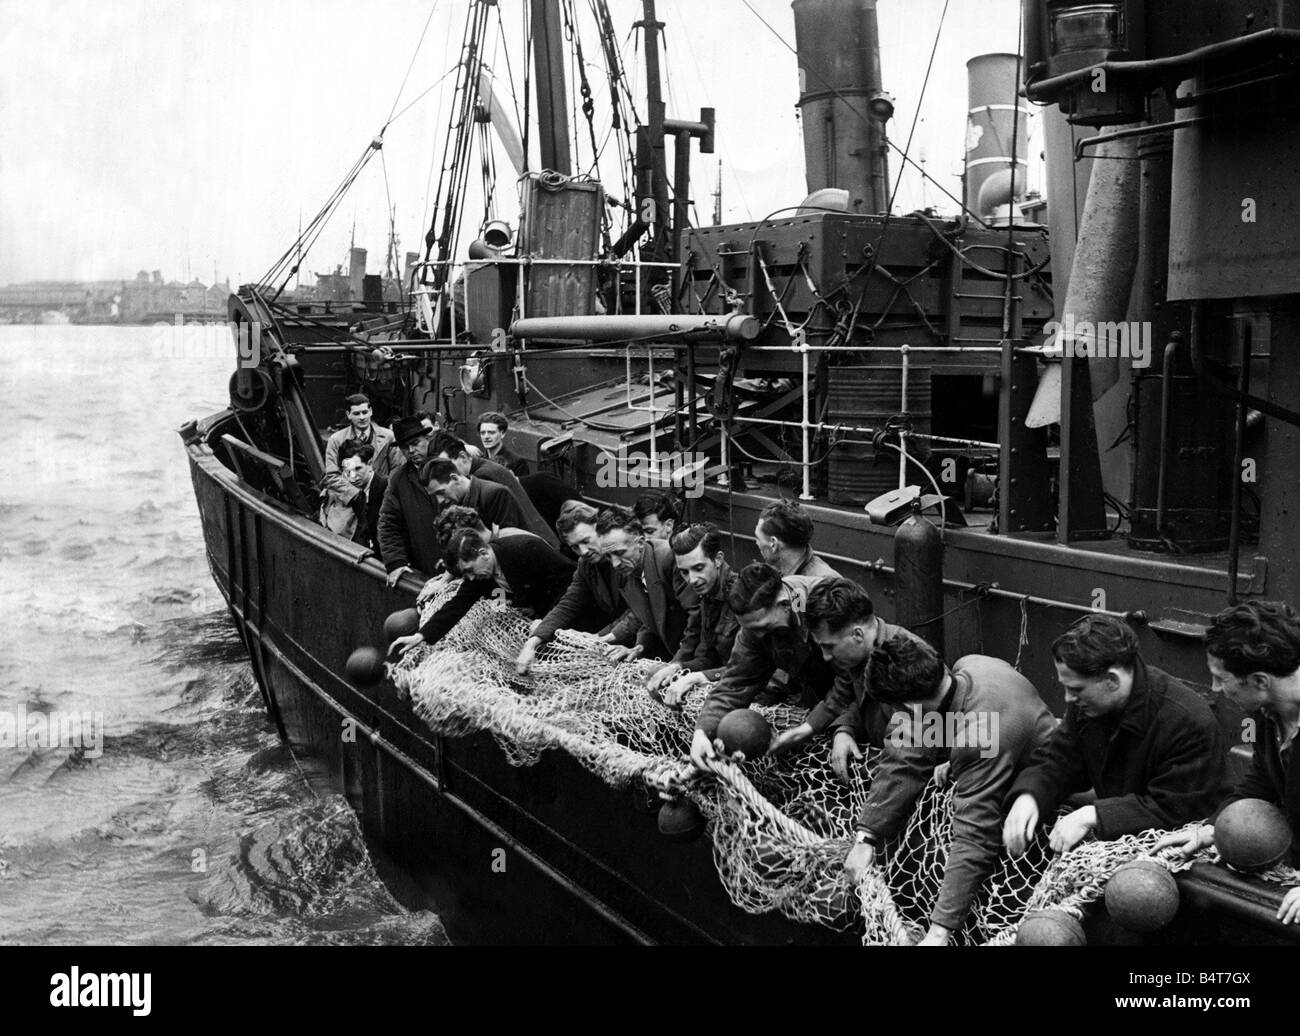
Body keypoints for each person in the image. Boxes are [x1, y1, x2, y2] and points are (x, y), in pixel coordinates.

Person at [842, 637, 1057, 945]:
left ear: (912, 707)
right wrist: (867, 836)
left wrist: (939, 932)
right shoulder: (971, 666)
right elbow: (907, 759)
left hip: (1054, 797)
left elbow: (975, 837)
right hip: (1014, 756)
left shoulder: (979, 738)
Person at [1003, 614, 1227, 857]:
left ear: (1111, 680)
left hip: (1183, 849)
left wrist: (1094, 815)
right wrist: (1030, 795)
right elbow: (1059, 758)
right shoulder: (1091, 703)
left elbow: (1175, 810)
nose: (1068, 698)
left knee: (1129, 892)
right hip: (1124, 828)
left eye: (1076, 689)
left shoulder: (1187, 721)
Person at [1156, 601, 1300, 924]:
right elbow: (1261, 782)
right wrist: (1211, 828)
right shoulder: (1270, 712)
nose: (1214, 689)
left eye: (1221, 679)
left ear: (1260, 681)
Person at [766, 578, 926, 769]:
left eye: (829, 647)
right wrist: (841, 730)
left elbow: (909, 757)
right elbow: (851, 695)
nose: (826, 657)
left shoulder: (908, 664)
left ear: (857, 634)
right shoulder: (861, 654)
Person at [689, 563, 835, 769]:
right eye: (751, 630)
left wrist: (840, 727)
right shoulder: (756, 625)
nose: (758, 637)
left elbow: (853, 677)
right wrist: (702, 732)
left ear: (784, 604)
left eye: (763, 628)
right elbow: (736, 683)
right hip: (820, 698)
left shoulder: (827, 603)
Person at [389, 528, 575, 654]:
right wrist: (420, 636)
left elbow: (568, 582)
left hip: (575, 618)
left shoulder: (524, 549)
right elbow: (456, 606)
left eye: (469, 570)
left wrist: (546, 619)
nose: (469, 578)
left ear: (484, 554)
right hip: (542, 628)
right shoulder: (481, 575)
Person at [514, 502, 630, 675]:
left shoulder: (627, 555)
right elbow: (568, 603)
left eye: (586, 541)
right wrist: (532, 643)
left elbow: (639, 610)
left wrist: (599, 637)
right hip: (618, 643)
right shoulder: (586, 565)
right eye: (575, 547)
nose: (583, 551)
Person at [646, 523, 739, 705]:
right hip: (726, 680)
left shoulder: (741, 597)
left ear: (718, 559)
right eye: (684, 572)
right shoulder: (708, 596)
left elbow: (750, 667)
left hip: (752, 690)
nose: (692, 580)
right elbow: (708, 656)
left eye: (698, 568)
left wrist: (699, 676)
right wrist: (679, 667)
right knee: (660, 673)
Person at [597, 506, 692, 665]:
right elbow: (650, 619)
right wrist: (639, 648)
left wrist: (676, 666)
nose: (614, 564)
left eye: (620, 553)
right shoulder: (629, 569)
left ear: (641, 542)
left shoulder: (668, 558)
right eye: (608, 556)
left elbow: (698, 621)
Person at [431, 432, 558, 547]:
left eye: (447, 466)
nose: (445, 473)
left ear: (463, 456)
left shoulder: (482, 477)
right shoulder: (485, 466)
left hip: (535, 546)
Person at [377, 414, 442, 588]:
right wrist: (396, 562)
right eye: (405, 447)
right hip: (426, 568)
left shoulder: (447, 466)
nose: (411, 451)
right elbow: (388, 523)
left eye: (415, 444)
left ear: (427, 439)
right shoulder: (398, 479)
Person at [322, 394, 397, 505]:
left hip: (381, 499)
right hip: (349, 501)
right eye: (356, 414)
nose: (362, 417)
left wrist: (383, 492)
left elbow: (397, 469)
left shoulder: (388, 437)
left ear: (371, 411)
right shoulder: (336, 440)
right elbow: (332, 476)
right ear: (348, 415)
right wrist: (356, 495)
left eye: (365, 412)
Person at [422, 458, 529, 534]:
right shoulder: (452, 503)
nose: (440, 501)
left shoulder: (496, 494)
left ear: (455, 478)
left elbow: (508, 541)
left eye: (441, 493)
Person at [319, 440, 387, 556]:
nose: (353, 477)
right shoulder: (346, 490)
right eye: (347, 471)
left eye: (358, 469)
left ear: (370, 464)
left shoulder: (387, 488)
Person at [755, 500, 840, 578]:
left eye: (758, 538)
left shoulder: (824, 583)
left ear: (773, 543)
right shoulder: (774, 571)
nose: (757, 543)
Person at [478, 411, 529, 477]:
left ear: (502, 434)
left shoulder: (518, 463)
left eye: (491, 432)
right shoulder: (479, 460)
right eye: (482, 433)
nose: (486, 437)